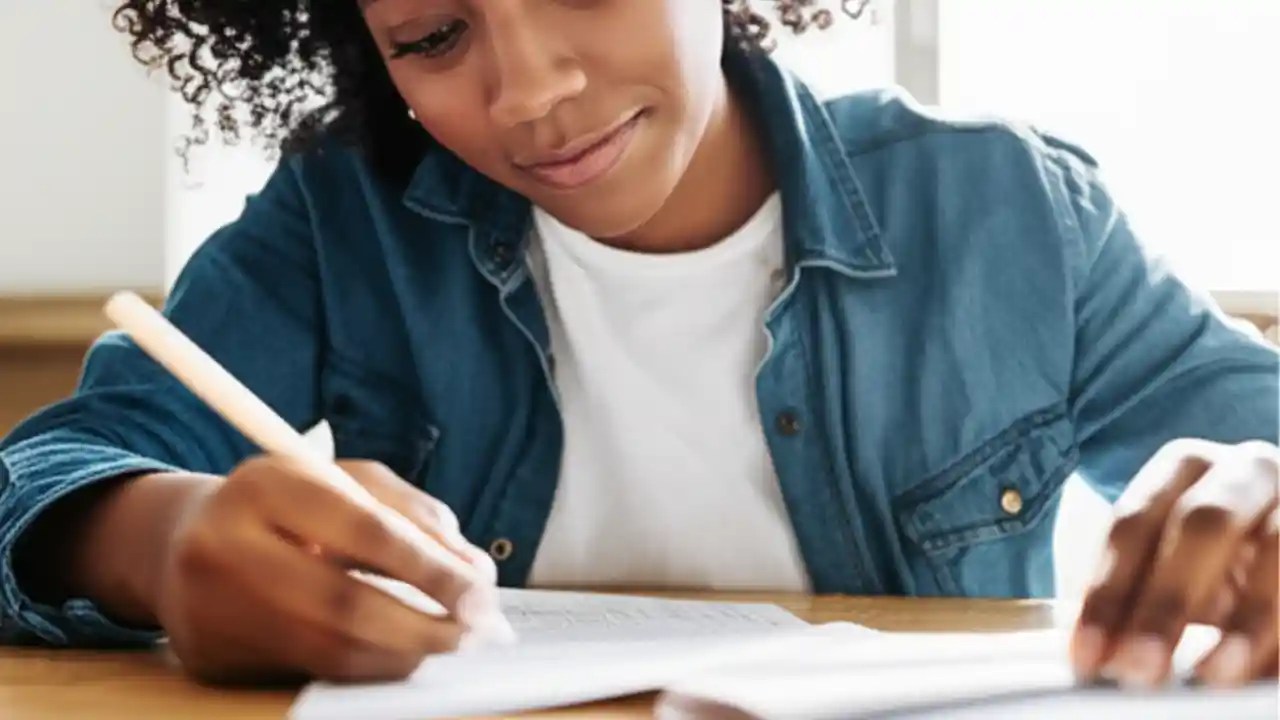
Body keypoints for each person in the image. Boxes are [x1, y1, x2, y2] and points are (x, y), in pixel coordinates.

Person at [0, 0, 1276, 690]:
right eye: (434, 38)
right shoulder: (341, 228)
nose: (528, 90)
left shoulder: (1004, 208)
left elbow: (1252, 435)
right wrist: (157, 544)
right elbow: (47, 480)